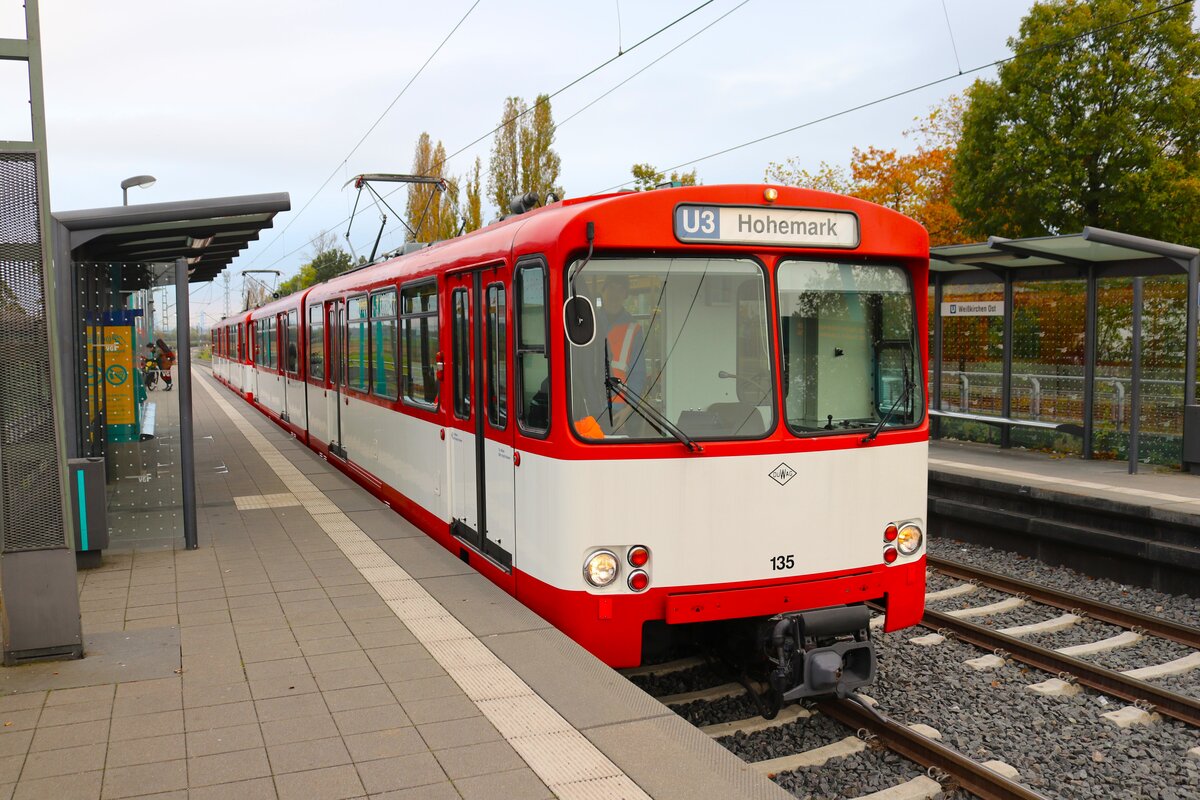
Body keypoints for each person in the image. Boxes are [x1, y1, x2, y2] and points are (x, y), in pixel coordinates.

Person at [574, 274, 646, 437]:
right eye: (611, 288)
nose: (615, 294)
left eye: (620, 290)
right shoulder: (587, 322)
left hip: (619, 411)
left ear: (626, 295)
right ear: (603, 290)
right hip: (586, 407)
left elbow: (638, 375)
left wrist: (629, 410)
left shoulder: (634, 330)